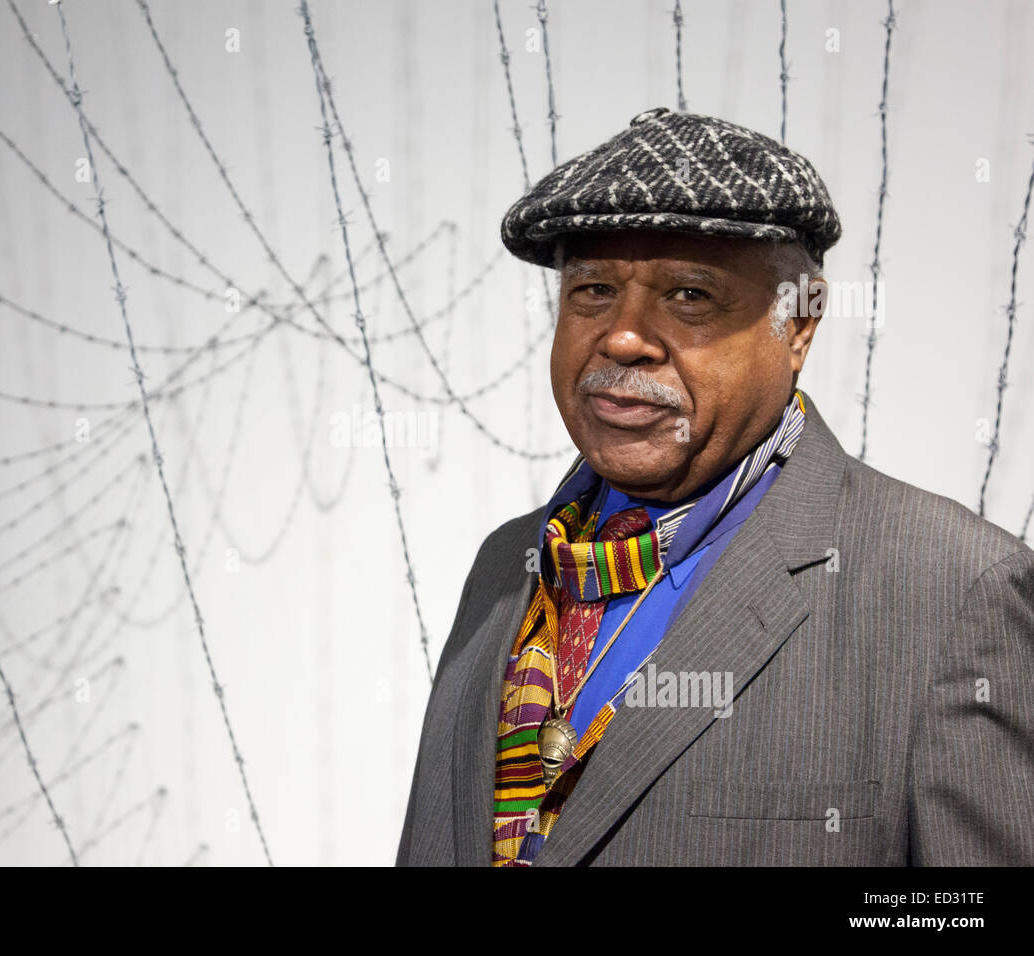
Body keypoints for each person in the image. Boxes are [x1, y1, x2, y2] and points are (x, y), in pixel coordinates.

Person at [395, 107, 1034, 866]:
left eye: (690, 296)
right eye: (592, 290)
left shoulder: (952, 592)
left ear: (798, 325)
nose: (624, 336)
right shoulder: (508, 565)